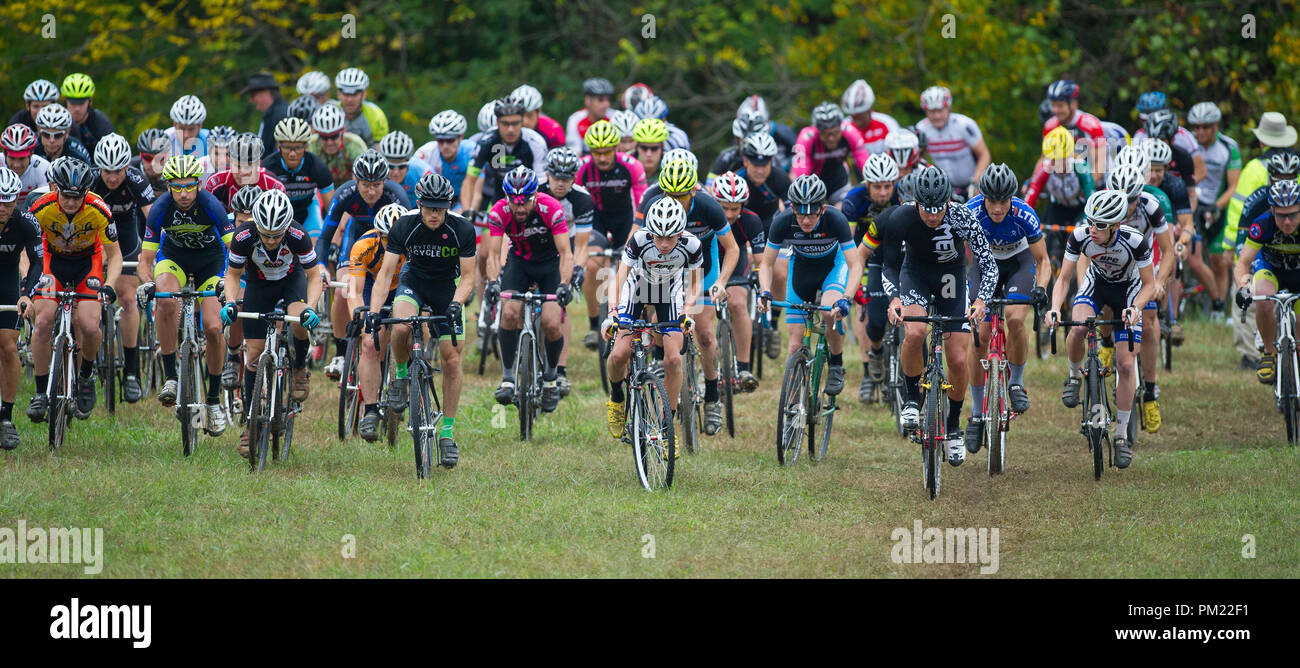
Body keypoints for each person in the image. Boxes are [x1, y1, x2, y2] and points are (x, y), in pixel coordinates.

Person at [875, 166, 997, 467]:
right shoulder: (900, 217)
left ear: (948, 201)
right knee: (914, 333)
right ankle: (913, 400)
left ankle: (954, 426)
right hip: (914, 273)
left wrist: (981, 300)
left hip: (952, 278)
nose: (933, 217)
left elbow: (988, 264)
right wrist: (894, 299)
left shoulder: (963, 216)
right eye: (926, 210)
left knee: (957, 359)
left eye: (938, 209)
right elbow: (888, 265)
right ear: (915, 202)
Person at [366, 172, 476, 468]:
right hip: (413, 279)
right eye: (429, 207)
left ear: (449, 206)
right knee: (401, 326)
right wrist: (375, 311)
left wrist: (455, 304)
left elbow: (468, 278)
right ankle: (401, 376)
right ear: (419, 204)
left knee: (451, 358)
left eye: (440, 208)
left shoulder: (462, 229)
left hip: (447, 288)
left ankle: (448, 435)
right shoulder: (404, 226)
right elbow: (386, 274)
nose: (434, 214)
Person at [1049, 191, 1156, 469]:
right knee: (1078, 329)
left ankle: (1120, 436)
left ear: (1116, 226)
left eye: (1100, 225)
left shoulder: (1136, 242)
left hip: (1129, 291)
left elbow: (1149, 285)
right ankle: (1074, 377)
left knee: (1126, 365)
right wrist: (1054, 308)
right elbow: (1064, 278)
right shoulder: (1081, 235)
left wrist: (1136, 308)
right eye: (1090, 221)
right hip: (1097, 285)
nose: (1093, 229)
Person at [635, 158, 739, 435]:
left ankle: (713, 396)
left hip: (702, 268)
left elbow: (733, 249)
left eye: (680, 196)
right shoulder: (654, 203)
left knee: (704, 334)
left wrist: (721, 281)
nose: (674, 201)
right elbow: (635, 243)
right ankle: (660, 361)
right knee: (658, 316)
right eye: (669, 195)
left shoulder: (708, 207)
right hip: (666, 269)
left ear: (693, 191)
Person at [136, 155, 235, 434]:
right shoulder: (160, 209)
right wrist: (148, 284)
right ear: (167, 186)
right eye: (176, 187)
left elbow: (234, 251)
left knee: (214, 328)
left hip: (211, 262)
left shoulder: (211, 206)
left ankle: (214, 401)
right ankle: (171, 377)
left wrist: (228, 283)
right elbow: (146, 261)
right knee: (166, 301)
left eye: (189, 186)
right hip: (175, 258)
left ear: (199, 184)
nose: (183, 193)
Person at [220, 189, 322, 458]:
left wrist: (310, 307)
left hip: (292, 281)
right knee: (252, 355)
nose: (271, 240)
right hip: (259, 285)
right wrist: (230, 302)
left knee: (299, 320)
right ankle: (251, 423)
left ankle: (299, 367)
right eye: (265, 235)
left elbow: (314, 276)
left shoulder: (298, 235)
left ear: (286, 227)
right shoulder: (244, 236)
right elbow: (232, 276)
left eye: (277, 236)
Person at [961, 164, 1051, 451]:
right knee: (980, 337)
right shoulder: (970, 211)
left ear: (1012, 198)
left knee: (1014, 319)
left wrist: (1042, 288)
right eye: (992, 201)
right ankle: (976, 415)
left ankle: (1015, 383)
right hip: (984, 267)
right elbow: (953, 253)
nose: (998, 208)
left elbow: (1043, 261)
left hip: (1018, 265)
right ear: (982, 196)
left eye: (1003, 201)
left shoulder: (1025, 214)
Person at [27, 157, 122, 423]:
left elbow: (115, 256)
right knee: (44, 321)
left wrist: (109, 286)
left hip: (87, 264)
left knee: (90, 325)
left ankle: (85, 376)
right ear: (55, 188)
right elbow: (27, 248)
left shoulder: (99, 209)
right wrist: (29, 279)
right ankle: (40, 392)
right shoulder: (41, 207)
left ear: (86, 192)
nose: (71, 202)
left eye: (77, 197)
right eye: (66, 196)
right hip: (51, 261)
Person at [603, 197, 703, 441]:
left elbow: (695, 283)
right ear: (650, 232)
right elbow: (619, 279)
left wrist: (687, 312)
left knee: (673, 360)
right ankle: (617, 398)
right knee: (618, 354)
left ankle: (667, 428)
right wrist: (612, 313)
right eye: (658, 237)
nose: (664, 244)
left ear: (681, 233)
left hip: (669, 292)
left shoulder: (692, 244)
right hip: (636, 289)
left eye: (670, 238)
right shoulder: (639, 241)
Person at [758, 174, 862, 404]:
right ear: (792, 208)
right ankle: (793, 408)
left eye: (812, 214)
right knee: (795, 345)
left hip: (833, 268)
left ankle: (836, 363)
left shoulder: (836, 219)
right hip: (802, 270)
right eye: (801, 214)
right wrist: (765, 291)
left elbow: (855, 265)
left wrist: (846, 297)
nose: (806, 221)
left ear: (822, 209)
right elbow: (766, 264)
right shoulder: (783, 221)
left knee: (829, 311)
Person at [484, 166, 573, 412]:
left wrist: (564, 285)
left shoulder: (551, 208)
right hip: (520, 263)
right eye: (515, 202)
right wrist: (492, 282)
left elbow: (566, 254)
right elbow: (492, 255)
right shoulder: (499, 212)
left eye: (525, 202)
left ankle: (551, 379)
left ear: (535, 195)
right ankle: (508, 378)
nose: (520, 207)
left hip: (549, 265)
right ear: (507, 198)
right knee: (510, 312)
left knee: (552, 322)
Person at [319, 150, 410, 379]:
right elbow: (324, 236)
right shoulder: (345, 193)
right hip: (356, 243)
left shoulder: (396, 194)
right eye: (366, 185)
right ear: (356, 180)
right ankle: (341, 353)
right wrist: (321, 266)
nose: (371, 191)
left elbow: (411, 238)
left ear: (385, 181)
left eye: (377, 185)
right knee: (343, 291)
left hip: (388, 247)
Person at [1224, 112, 1297, 370]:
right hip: (1263, 244)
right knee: (1261, 294)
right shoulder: (1295, 164)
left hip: (1257, 242)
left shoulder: (1254, 167)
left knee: (1250, 303)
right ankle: (1266, 353)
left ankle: (1250, 354)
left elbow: (1237, 210)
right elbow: (1248, 220)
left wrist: (1229, 246)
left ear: (1262, 141)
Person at [91, 133, 157, 403]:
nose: (113, 177)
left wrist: (148, 253)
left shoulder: (137, 181)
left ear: (127, 167)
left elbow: (153, 220)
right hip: (96, 237)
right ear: (99, 168)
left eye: (118, 170)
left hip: (127, 237)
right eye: (107, 170)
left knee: (129, 299)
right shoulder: (92, 182)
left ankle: (132, 372)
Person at [576, 120, 648, 350]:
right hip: (597, 221)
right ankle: (594, 323)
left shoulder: (632, 166)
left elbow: (642, 204)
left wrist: (633, 235)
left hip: (626, 221)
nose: (603, 158)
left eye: (607, 151)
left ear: (616, 148)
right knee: (593, 265)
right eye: (597, 152)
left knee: (634, 269)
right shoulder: (583, 168)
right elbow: (576, 203)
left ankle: (640, 320)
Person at [843, 153, 901, 402]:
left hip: (897, 256)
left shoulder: (901, 195)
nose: (883, 192)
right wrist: (854, 278)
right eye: (877, 186)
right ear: (867, 184)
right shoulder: (854, 200)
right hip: (864, 256)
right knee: (870, 315)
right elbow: (847, 241)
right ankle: (870, 368)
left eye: (888, 186)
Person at [347, 202, 406, 440]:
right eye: (384, 237)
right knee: (370, 344)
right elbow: (354, 291)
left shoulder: (414, 245)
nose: (389, 243)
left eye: (395, 238)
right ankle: (370, 410)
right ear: (377, 234)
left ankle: (409, 381)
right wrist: (361, 320)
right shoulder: (363, 246)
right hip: (374, 286)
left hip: (404, 285)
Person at [539, 146, 594, 396]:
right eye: (556, 177)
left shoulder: (582, 199)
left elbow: (582, 244)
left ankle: (559, 369)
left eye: (566, 178)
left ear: (574, 178)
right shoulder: (535, 191)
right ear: (547, 174)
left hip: (566, 248)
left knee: (560, 306)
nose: (560, 183)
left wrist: (579, 268)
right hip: (537, 243)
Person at [1235, 179, 1300, 386]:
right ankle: (1269, 353)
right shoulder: (1262, 224)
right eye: (1281, 215)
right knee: (1263, 297)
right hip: (1271, 269)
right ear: (1272, 210)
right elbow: (1243, 263)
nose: (1287, 222)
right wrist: (1243, 287)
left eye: (1293, 214)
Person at [711, 171, 765, 392]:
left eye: (735, 208)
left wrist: (759, 277)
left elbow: (761, 261)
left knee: (737, 303)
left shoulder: (751, 220)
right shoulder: (706, 214)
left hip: (737, 260)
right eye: (724, 208)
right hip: (708, 260)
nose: (729, 214)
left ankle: (743, 367)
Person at [0, 167, 43, 448]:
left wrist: (27, 294)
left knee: (7, 346)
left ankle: (6, 417)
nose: (3, 207)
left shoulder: (26, 222)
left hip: (7, 281)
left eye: (8, 201)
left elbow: (38, 262)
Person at [1187, 101, 1241, 320]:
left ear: (1216, 126)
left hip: (1219, 206)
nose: (1200, 131)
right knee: (1193, 257)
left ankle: (1219, 312)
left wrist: (1217, 207)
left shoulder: (1229, 147)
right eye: (1196, 127)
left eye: (1205, 127)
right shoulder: (1189, 144)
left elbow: (1235, 185)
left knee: (1219, 260)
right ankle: (1213, 300)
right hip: (1193, 206)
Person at [262, 117, 335, 246]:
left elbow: (332, 210)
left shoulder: (317, 167)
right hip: (277, 217)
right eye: (288, 148)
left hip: (308, 212)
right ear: (279, 146)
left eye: (297, 148)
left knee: (314, 248)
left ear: (306, 146)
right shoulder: (268, 167)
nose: (292, 154)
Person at [914, 86, 991, 196]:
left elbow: (984, 154)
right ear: (925, 110)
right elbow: (920, 159)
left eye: (940, 110)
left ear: (948, 107)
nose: (937, 116)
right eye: (931, 111)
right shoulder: (921, 129)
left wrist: (976, 181)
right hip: (943, 188)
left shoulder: (964, 125)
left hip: (971, 185)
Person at [792, 102, 870, 206]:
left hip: (838, 180)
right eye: (825, 133)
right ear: (817, 130)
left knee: (842, 210)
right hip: (813, 180)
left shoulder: (850, 132)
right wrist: (803, 191)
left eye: (835, 132)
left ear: (840, 127)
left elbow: (864, 162)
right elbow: (800, 171)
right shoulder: (807, 137)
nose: (831, 138)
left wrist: (871, 184)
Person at [1041, 79, 1105, 187]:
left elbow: (1100, 164)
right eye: (1053, 105)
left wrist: (1087, 188)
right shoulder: (1049, 126)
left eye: (1060, 105)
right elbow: (1044, 159)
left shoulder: (1091, 126)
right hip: (1063, 190)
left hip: (1090, 187)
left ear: (1073, 104)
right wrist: (1032, 181)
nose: (1056, 110)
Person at [204, 133, 286, 212]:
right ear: (230, 162)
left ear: (259, 164)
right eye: (238, 166)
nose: (242, 173)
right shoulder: (215, 182)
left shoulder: (275, 187)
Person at [415, 110, 473, 202]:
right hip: (434, 200)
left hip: (464, 199)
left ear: (461, 137)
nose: (445, 146)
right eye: (440, 140)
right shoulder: (426, 153)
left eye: (450, 140)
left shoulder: (471, 151)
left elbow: (477, 185)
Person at [308, 104, 368, 188]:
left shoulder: (355, 144)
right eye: (324, 137)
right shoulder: (310, 145)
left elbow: (365, 178)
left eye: (334, 136)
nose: (330, 142)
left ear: (343, 131)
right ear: (317, 134)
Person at [840, 79, 901, 156]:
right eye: (853, 117)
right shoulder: (844, 127)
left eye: (860, 117)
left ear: (870, 109)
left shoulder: (887, 123)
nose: (856, 122)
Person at [332, 67, 389, 147]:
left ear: (364, 94)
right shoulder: (330, 113)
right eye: (345, 94)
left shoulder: (376, 116)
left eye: (354, 94)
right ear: (338, 94)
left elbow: (380, 151)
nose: (349, 99)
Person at [60, 74, 113, 154]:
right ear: (65, 101)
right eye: (73, 103)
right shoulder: (55, 122)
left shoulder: (102, 124)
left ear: (90, 102)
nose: (77, 108)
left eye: (81, 103)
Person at [565, 78, 615, 153]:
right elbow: (575, 154)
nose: (606, 104)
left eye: (608, 100)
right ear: (588, 101)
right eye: (600, 100)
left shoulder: (614, 117)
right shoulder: (575, 120)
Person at [244, 72, 288, 159]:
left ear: (266, 92)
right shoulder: (272, 113)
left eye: (253, 95)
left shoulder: (280, 115)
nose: (251, 100)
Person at [2, 124, 50, 202]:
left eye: (22, 158)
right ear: (4, 154)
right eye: (12, 158)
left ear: (31, 154)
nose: (16, 165)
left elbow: (47, 203)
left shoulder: (43, 168)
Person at [512, 84, 566, 150]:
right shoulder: (503, 129)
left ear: (538, 112)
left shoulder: (553, 131)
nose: (524, 121)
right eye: (520, 115)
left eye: (529, 115)